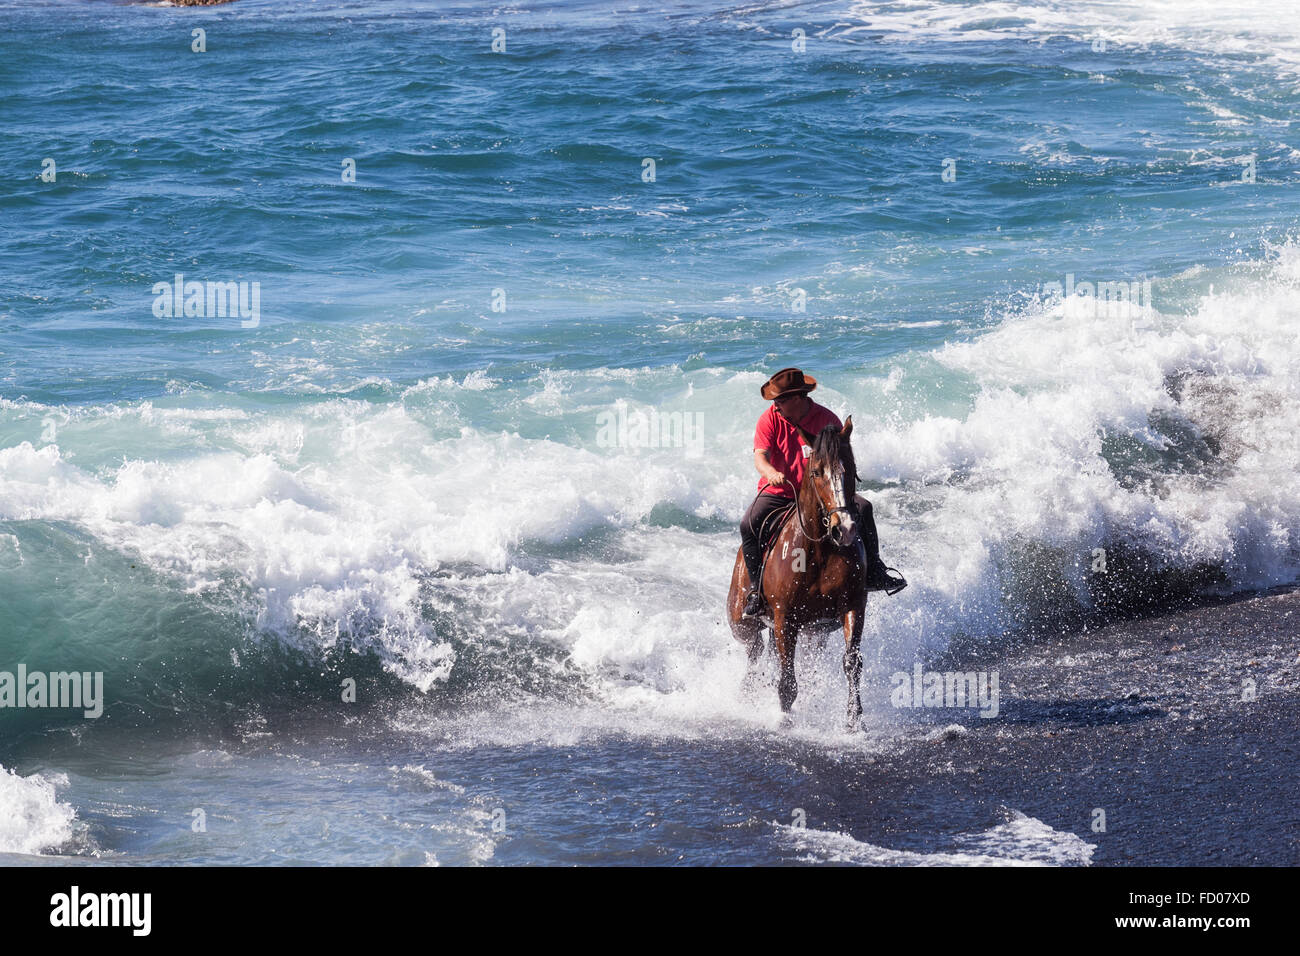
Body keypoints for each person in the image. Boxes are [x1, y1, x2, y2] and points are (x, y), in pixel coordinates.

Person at [740, 367, 895, 617]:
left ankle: (875, 572)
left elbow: (842, 461)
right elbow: (760, 457)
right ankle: (756, 592)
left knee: (865, 508)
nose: (776, 406)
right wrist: (770, 473)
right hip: (781, 492)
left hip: (823, 495)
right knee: (748, 524)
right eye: (774, 401)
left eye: (780, 400)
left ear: (798, 398)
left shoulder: (826, 420)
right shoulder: (769, 419)